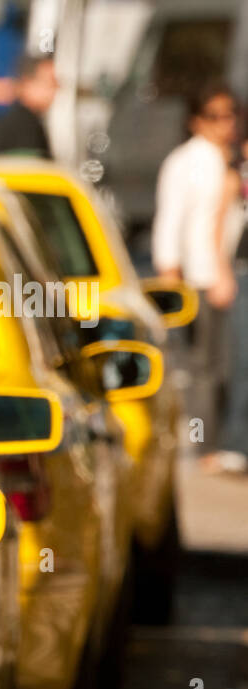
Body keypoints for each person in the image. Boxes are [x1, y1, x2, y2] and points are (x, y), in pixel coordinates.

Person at [152, 81, 246, 472]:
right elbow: (171, 220)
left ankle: (216, 443)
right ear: (196, 121)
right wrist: (170, 274)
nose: (225, 123)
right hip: (197, 278)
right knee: (200, 369)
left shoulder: (229, 160)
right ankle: (200, 446)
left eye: (231, 115)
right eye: (215, 116)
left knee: (223, 367)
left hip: (225, 274)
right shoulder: (185, 161)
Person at [0, 54, 57, 157]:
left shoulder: (28, 119)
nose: (55, 90)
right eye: (51, 83)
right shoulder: (22, 124)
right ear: (27, 83)